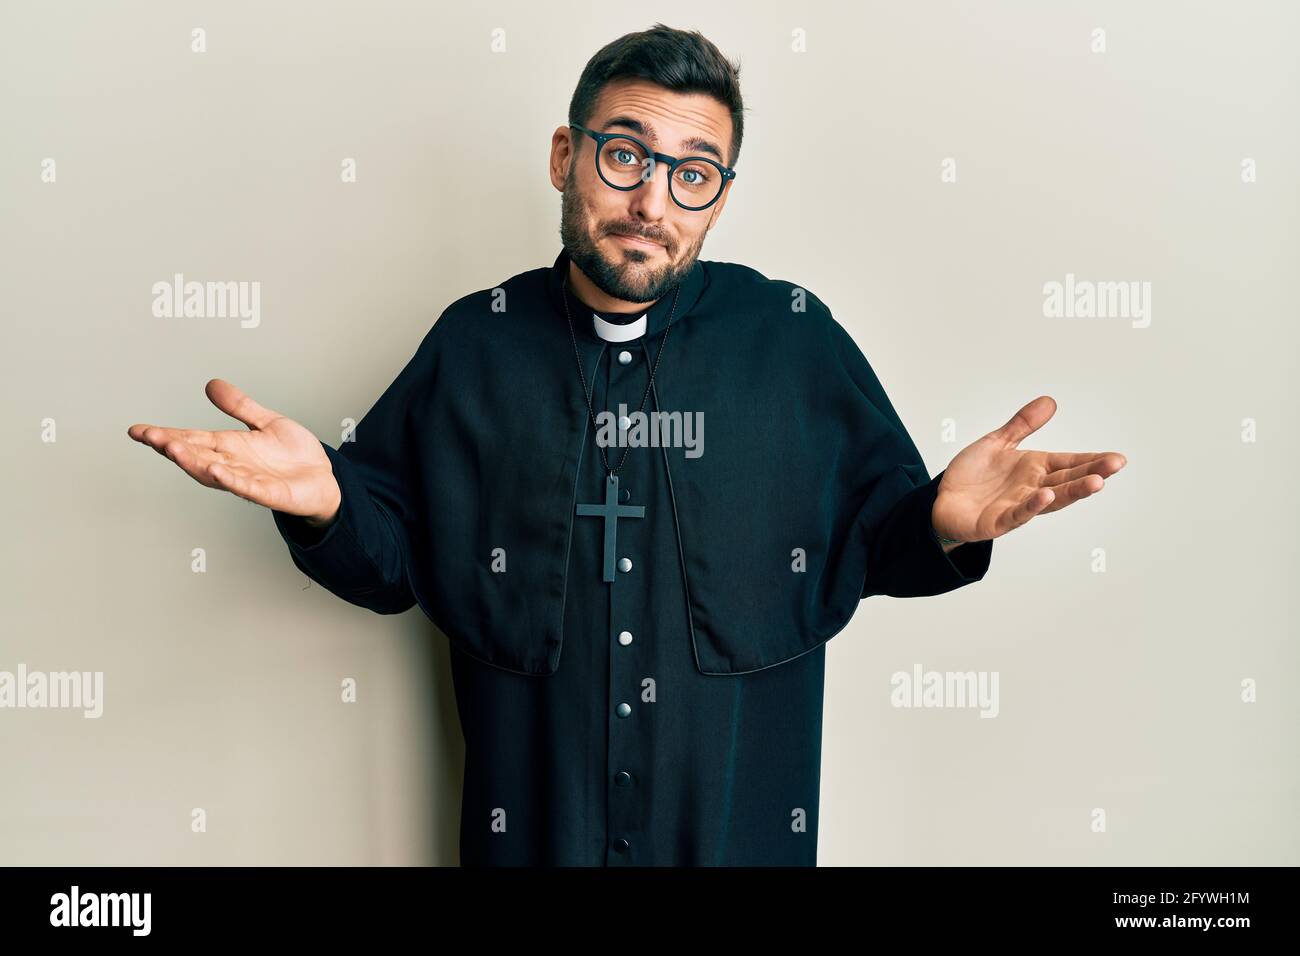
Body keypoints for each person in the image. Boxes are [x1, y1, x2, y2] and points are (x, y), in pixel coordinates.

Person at [128, 24, 1126, 866]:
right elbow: (393, 563)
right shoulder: (474, 342)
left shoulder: (794, 342)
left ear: (719, 197)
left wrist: (943, 521)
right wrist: (329, 507)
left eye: (692, 175)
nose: (652, 203)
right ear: (565, 157)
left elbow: (876, 546)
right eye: (625, 156)